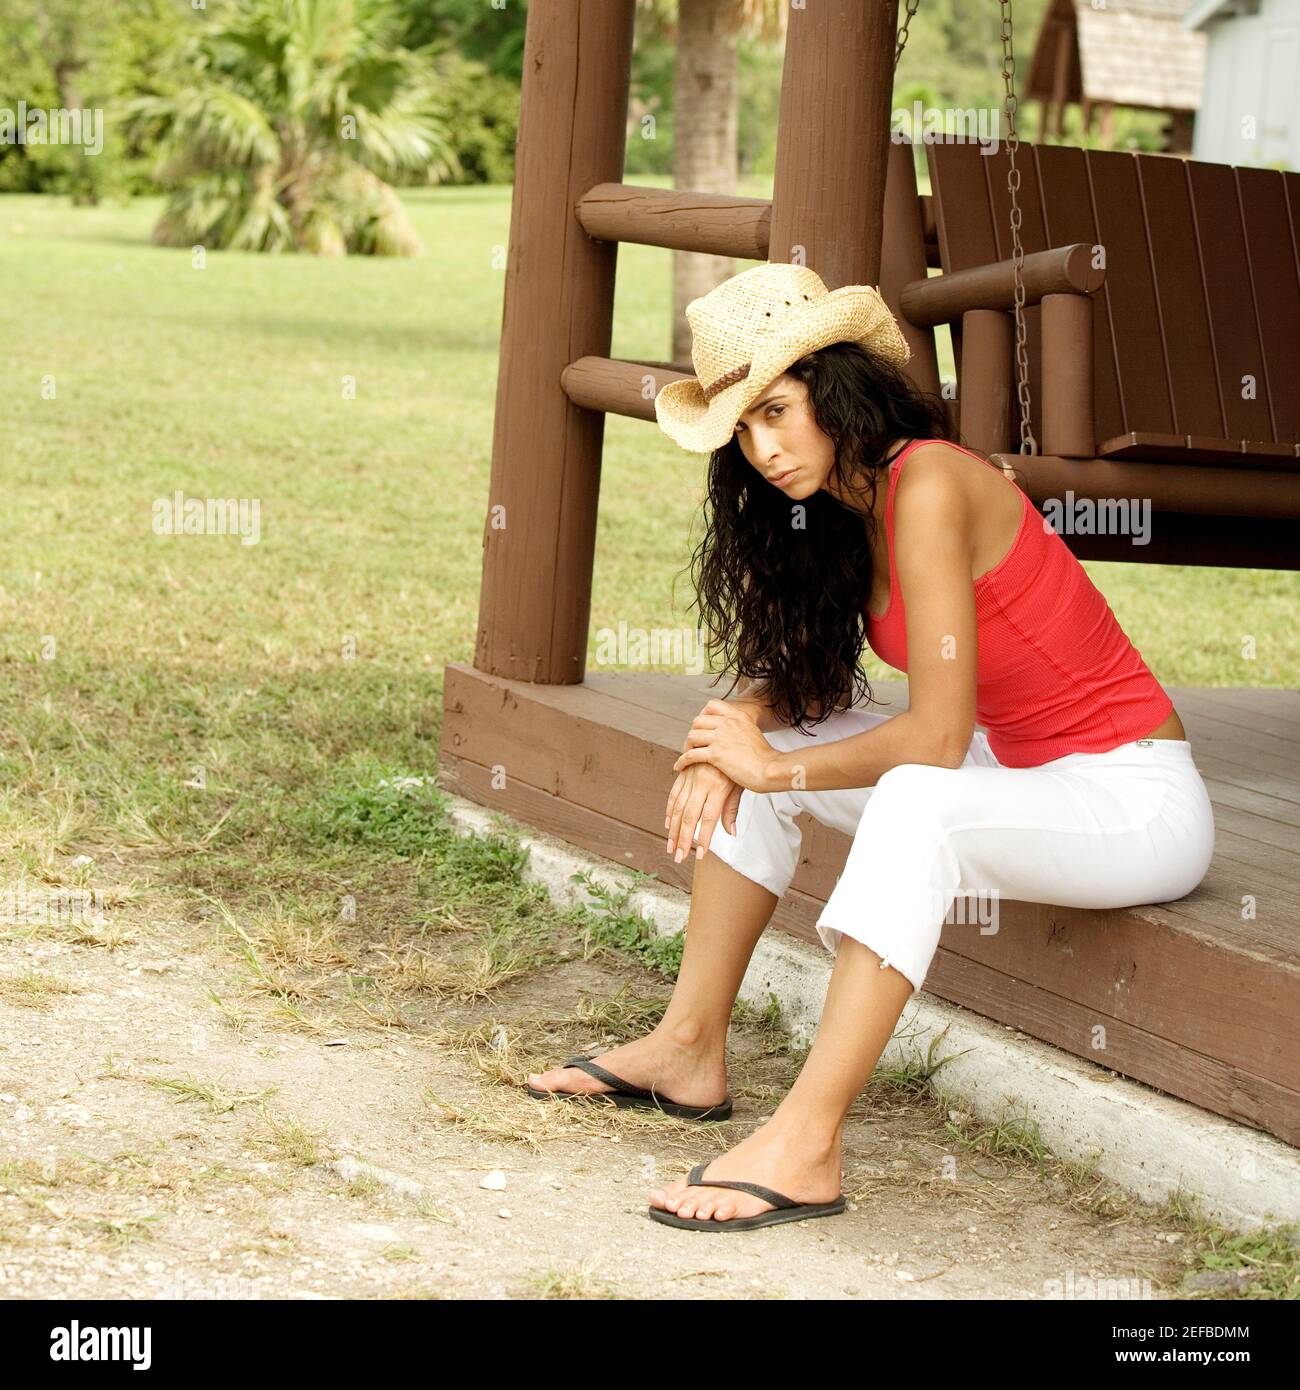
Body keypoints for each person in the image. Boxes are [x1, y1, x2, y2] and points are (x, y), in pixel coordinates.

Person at [525, 262, 1216, 1233]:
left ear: (834, 384)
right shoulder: (844, 502)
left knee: (908, 799)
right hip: (1019, 774)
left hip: (1133, 799)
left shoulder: (928, 484)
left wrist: (768, 763)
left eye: (778, 410)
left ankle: (805, 1142)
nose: (764, 450)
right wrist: (744, 735)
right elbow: (815, 686)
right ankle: (687, 1047)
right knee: (755, 750)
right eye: (745, 429)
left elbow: (934, 740)